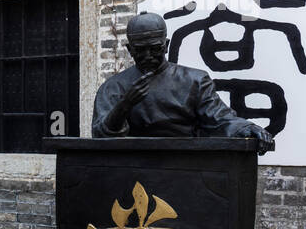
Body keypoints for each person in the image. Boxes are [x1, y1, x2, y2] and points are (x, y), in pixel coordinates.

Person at [92, 12, 276, 154]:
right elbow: (101, 136)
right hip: (134, 164)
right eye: (140, 50)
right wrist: (125, 105)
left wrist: (248, 128)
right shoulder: (113, 87)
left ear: (166, 45)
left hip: (187, 161)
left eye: (155, 48)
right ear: (130, 49)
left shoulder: (194, 80)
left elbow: (220, 118)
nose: (148, 56)